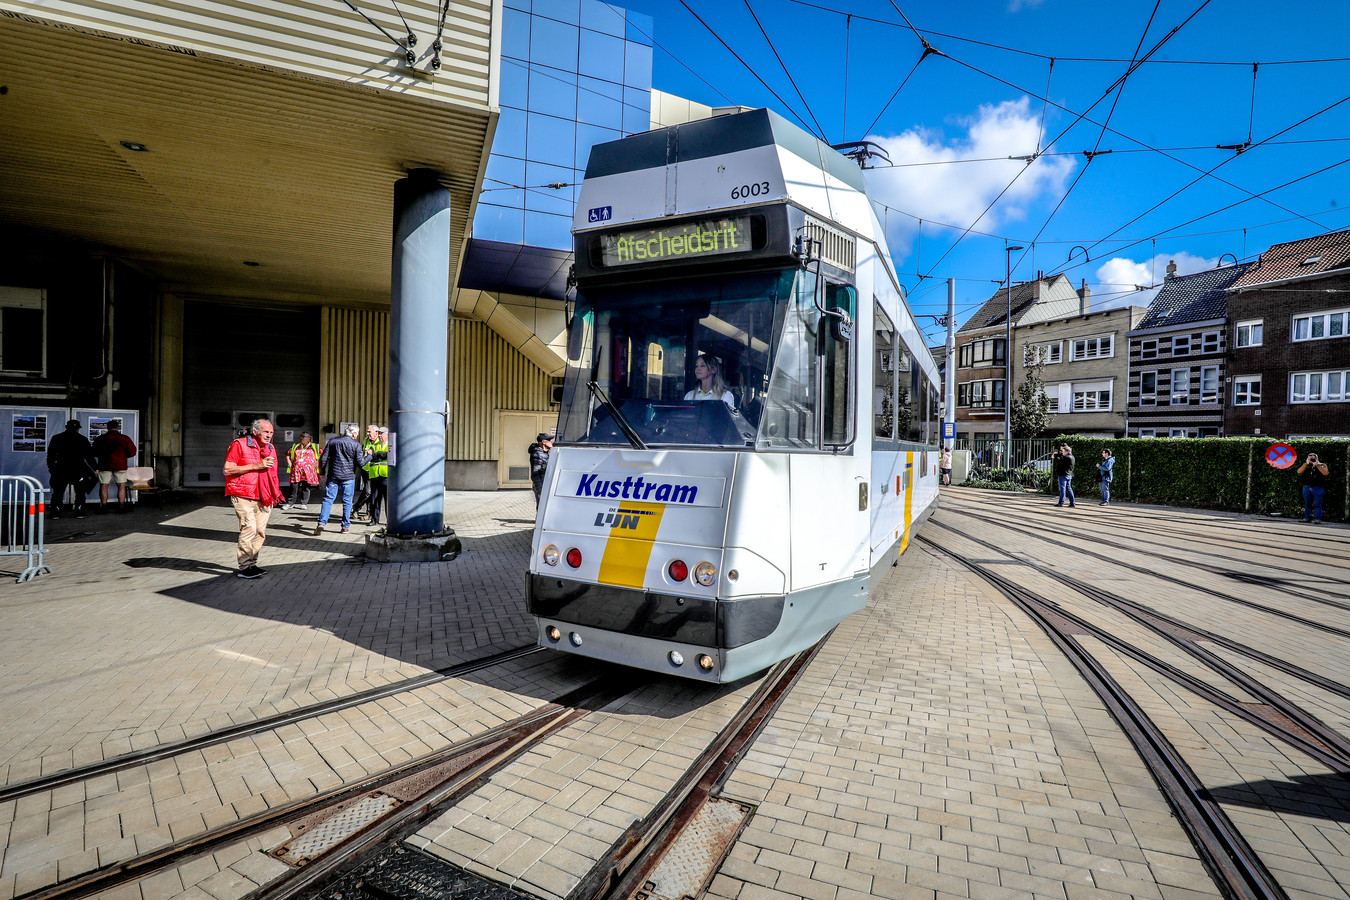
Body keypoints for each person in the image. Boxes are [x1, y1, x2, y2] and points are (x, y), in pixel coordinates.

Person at [223, 418, 285, 579]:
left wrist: (274, 491)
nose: (269, 435)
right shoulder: (240, 444)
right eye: (266, 432)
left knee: (260, 531)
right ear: (255, 431)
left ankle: (252, 563)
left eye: (271, 432)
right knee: (249, 528)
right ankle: (244, 567)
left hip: (264, 495)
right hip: (243, 493)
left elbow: (273, 473)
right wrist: (256, 466)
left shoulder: (271, 448)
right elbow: (227, 470)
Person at [313, 424, 370, 535]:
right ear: (354, 434)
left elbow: (323, 458)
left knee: (328, 499)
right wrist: (370, 456)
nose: (357, 435)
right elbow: (361, 463)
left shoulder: (333, 441)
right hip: (348, 477)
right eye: (357, 434)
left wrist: (322, 472)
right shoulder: (356, 445)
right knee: (347, 502)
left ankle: (321, 523)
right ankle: (345, 527)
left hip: (333, 475)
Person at [46, 419, 96, 518]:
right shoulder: (83, 439)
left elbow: (50, 456)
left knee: (58, 492)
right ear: (78, 428)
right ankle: (79, 511)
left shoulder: (56, 438)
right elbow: (89, 456)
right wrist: (95, 468)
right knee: (80, 492)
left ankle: (55, 513)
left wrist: (51, 468)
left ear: (66, 427)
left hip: (61, 468)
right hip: (78, 469)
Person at [91, 420, 138, 513]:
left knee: (104, 486)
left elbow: (94, 452)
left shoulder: (100, 438)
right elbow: (132, 451)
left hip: (104, 465)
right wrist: (123, 456)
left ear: (107, 428)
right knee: (121, 485)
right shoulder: (125, 438)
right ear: (118, 427)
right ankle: (121, 507)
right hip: (120, 464)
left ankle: (103, 508)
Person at [284, 432, 320, 510]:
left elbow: (323, 456)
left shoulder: (315, 447)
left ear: (309, 438)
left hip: (308, 472)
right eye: (301, 437)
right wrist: (289, 463)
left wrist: (317, 464)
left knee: (306, 487)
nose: (301, 438)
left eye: (303, 437)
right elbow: (287, 454)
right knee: (294, 487)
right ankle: (290, 503)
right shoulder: (295, 446)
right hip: (296, 471)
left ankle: (304, 503)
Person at [365, 426, 390, 526]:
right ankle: (374, 519)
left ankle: (389, 521)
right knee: (375, 499)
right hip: (375, 475)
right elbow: (370, 456)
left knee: (388, 500)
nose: (379, 435)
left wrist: (378, 454)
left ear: (387, 435)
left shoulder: (391, 445)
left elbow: (388, 455)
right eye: (378, 433)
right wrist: (379, 455)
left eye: (381, 433)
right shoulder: (375, 444)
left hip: (386, 476)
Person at [1299, 452, 1329, 524]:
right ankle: (1307, 517)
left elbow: (1326, 473)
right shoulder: (1306, 465)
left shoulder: (1322, 465)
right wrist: (1306, 464)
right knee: (1307, 503)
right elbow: (1299, 471)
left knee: (1317, 503)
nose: (1312, 459)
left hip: (1317, 487)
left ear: (1317, 458)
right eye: (1310, 458)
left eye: (1313, 458)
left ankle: (1317, 519)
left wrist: (1317, 465)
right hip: (1306, 487)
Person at [529, 432, 553, 507]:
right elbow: (535, 475)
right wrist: (540, 491)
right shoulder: (537, 455)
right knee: (541, 506)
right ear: (544, 442)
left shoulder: (545, 452)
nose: (551, 442)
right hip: (541, 485)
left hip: (545, 484)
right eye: (549, 440)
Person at [1052, 443, 1076, 508]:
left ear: (1067, 451)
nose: (1062, 453)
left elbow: (1059, 462)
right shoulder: (1072, 457)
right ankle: (1072, 503)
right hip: (1069, 474)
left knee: (1062, 489)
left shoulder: (1066, 457)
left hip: (1063, 474)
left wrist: (1055, 455)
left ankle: (1061, 503)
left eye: (1063, 451)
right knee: (1069, 489)